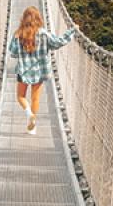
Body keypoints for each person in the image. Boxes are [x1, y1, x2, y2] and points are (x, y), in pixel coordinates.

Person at [7, 7, 77, 135]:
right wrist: (72, 31)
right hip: (39, 71)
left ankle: (29, 114)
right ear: (38, 18)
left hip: (23, 71)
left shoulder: (18, 34)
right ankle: (32, 127)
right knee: (35, 98)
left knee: (20, 96)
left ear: (24, 19)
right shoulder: (44, 33)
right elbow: (58, 42)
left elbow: (13, 52)